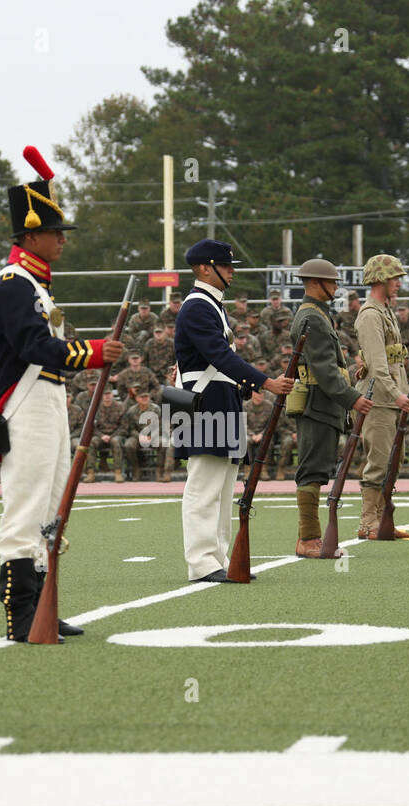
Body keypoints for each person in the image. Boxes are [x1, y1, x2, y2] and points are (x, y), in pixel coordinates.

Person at [0, 159, 122, 641]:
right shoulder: (12, 285)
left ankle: (43, 603)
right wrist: (96, 352)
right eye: (55, 231)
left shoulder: (37, 286)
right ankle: (21, 613)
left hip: (48, 400)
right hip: (24, 405)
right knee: (26, 508)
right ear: (30, 235)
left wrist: (89, 354)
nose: (62, 238)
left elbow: (51, 349)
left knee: (52, 506)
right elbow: (35, 348)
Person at [173, 239, 292, 582]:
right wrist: (265, 382)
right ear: (205, 268)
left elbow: (218, 361)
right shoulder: (198, 306)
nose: (232, 271)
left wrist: (246, 384)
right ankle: (201, 562)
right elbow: (219, 356)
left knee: (224, 487)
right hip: (203, 403)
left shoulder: (213, 306)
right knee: (205, 486)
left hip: (219, 399)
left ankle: (217, 558)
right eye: (226, 266)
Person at [286, 259, 370, 557]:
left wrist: (350, 376)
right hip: (317, 404)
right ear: (314, 283)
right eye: (332, 282)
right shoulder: (313, 317)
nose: (336, 287)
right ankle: (307, 539)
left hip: (322, 403)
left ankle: (310, 538)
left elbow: (327, 365)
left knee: (319, 469)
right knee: (312, 470)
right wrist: (352, 398)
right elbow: (323, 368)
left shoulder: (318, 315)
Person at [353, 255, 409, 537]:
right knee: (378, 461)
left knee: (394, 460)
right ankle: (369, 522)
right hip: (379, 399)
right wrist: (396, 395)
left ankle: (381, 520)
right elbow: (379, 365)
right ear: (380, 279)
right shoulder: (370, 315)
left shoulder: (386, 312)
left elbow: (394, 361)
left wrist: (400, 393)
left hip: (391, 399)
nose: (399, 283)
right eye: (395, 278)